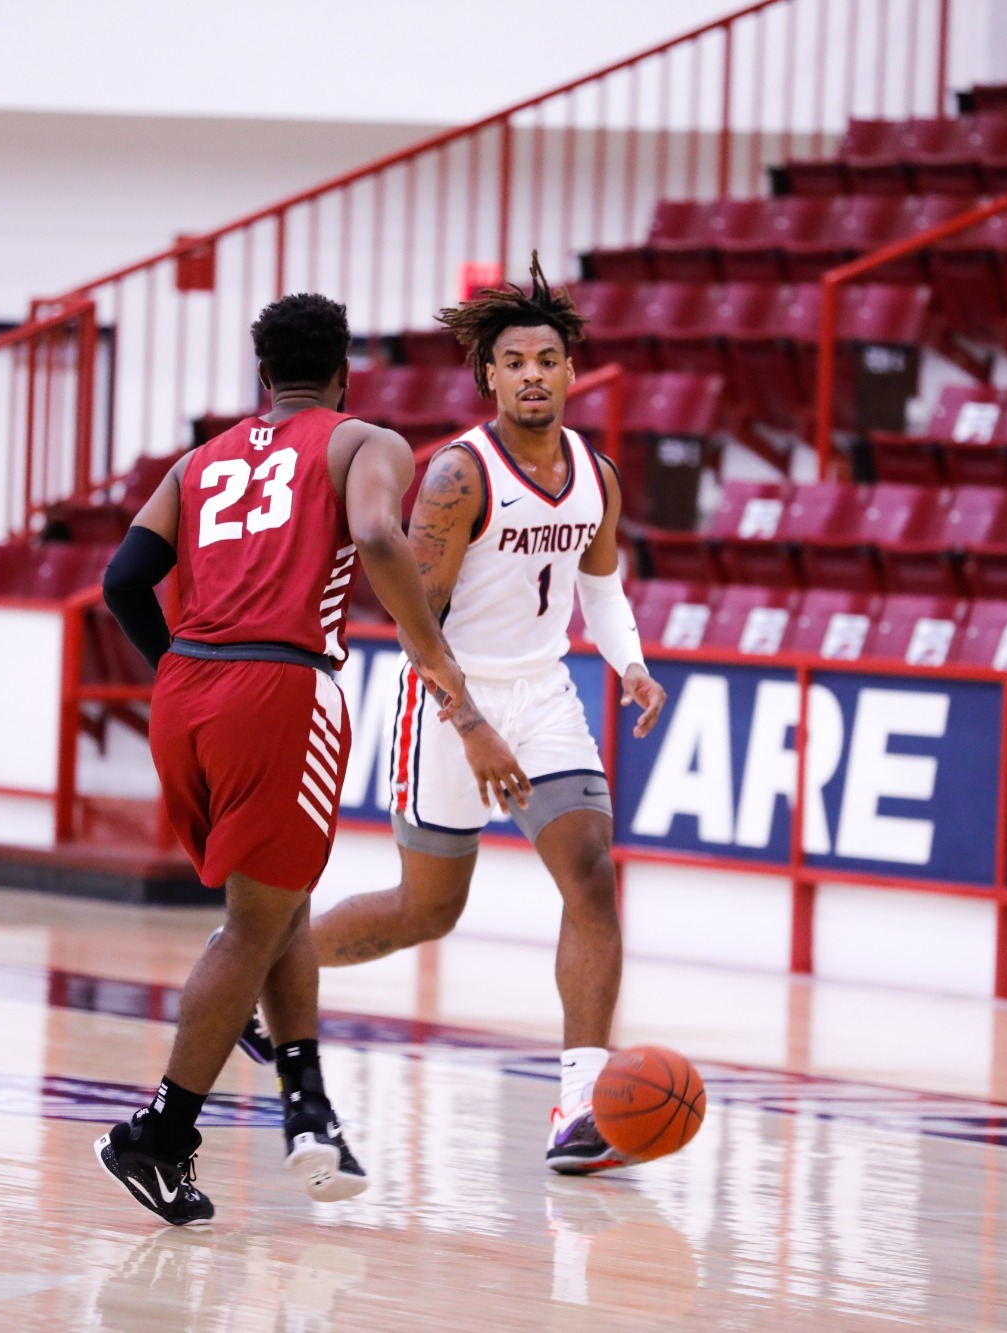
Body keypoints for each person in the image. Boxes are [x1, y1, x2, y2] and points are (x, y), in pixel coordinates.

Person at [95, 292, 465, 1225]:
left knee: (278, 898)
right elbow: (376, 534)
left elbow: (123, 580)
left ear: (262, 374)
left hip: (186, 692)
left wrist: (178, 666)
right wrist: (431, 651)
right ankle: (159, 1133)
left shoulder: (197, 461)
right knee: (250, 924)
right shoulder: (363, 441)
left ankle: (308, 1105)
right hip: (278, 688)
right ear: (345, 372)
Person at [309, 256, 667, 1174]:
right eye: (515, 362)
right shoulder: (459, 477)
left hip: (543, 692)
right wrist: (469, 723)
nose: (533, 375)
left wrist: (628, 662)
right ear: (490, 377)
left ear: (571, 371)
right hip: (447, 695)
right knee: (427, 911)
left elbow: (600, 583)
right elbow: (414, 620)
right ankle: (272, 965)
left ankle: (581, 1104)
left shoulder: (596, 475)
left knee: (591, 874)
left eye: (548, 359)